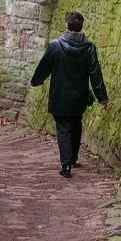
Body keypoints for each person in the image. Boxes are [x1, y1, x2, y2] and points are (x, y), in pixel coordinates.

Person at [30, 11, 108, 178]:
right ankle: (72, 158)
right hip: (79, 98)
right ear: (81, 27)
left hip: (59, 97)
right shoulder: (89, 48)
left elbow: (44, 67)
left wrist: (36, 81)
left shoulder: (55, 46)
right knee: (76, 124)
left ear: (66, 25)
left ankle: (66, 165)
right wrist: (102, 97)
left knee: (64, 129)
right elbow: (95, 74)